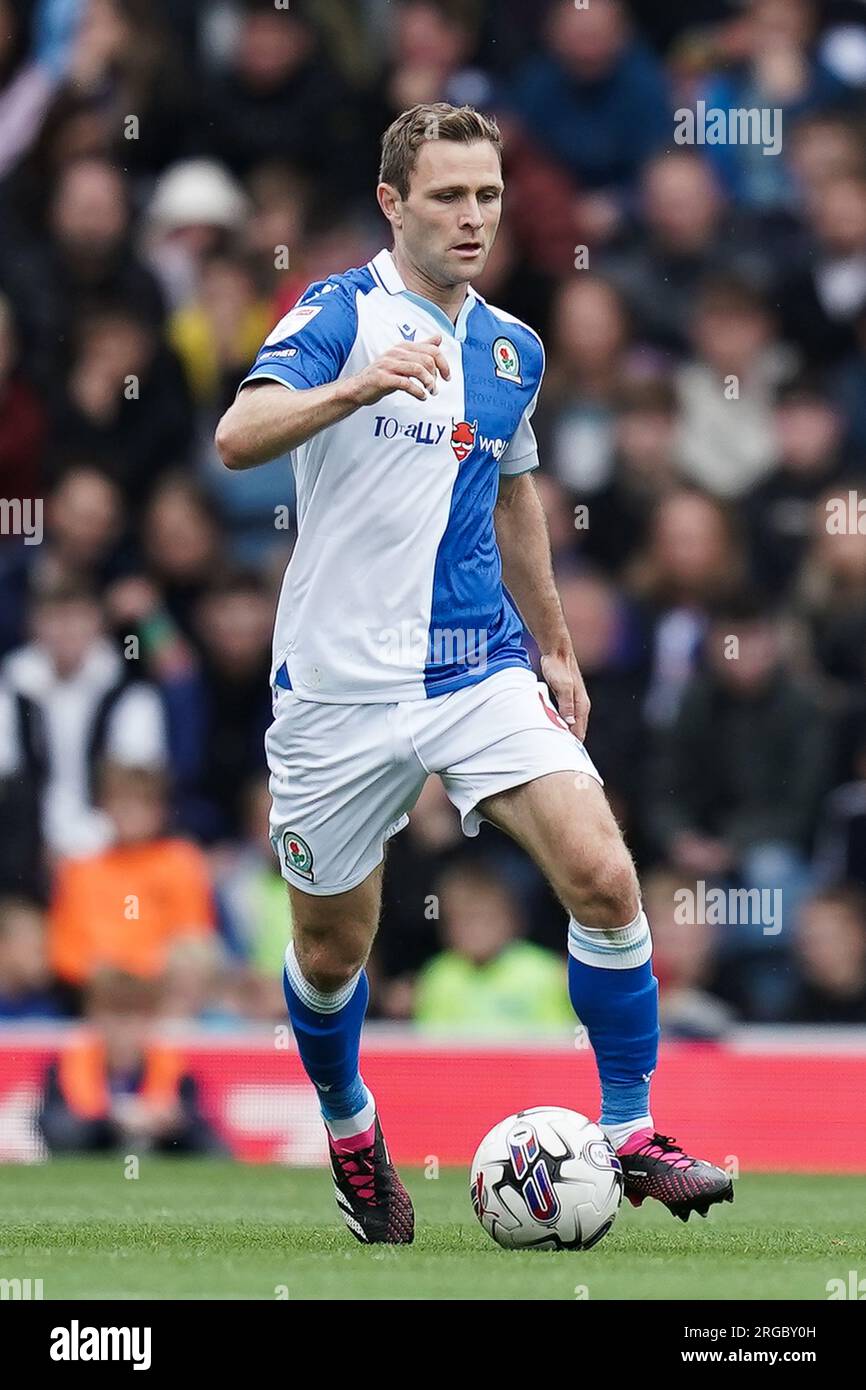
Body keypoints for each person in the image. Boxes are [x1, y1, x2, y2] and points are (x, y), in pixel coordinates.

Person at [215, 102, 733, 1246]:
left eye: (487, 196)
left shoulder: (511, 347)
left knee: (602, 873)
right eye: (447, 195)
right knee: (328, 949)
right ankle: (352, 1132)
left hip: (472, 666)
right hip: (340, 687)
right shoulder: (337, 312)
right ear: (392, 201)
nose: (471, 217)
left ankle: (634, 1128)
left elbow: (512, 493)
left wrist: (550, 643)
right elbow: (238, 437)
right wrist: (353, 387)